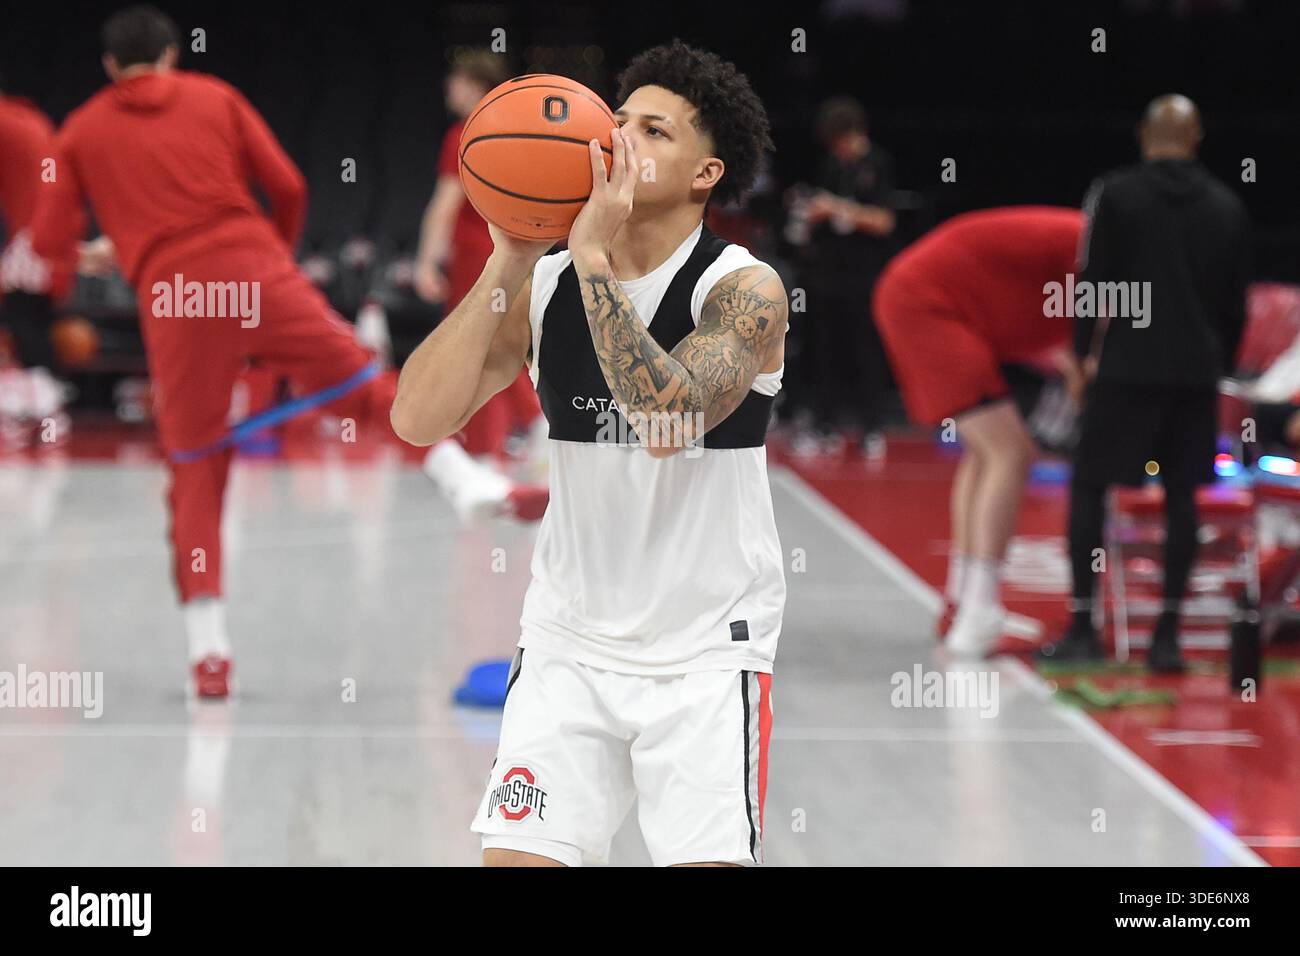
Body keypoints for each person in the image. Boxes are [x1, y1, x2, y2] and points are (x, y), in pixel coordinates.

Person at [393, 39, 786, 867]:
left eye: (654, 131)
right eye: (620, 121)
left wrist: (595, 260)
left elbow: (668, 423)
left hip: (706, 649)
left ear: (706, 173)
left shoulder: (742, 289)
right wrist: (508, 257)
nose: (620, 141)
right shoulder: (544, 284)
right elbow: (417, 419)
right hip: (567, 641)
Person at [31, 6, 408, 697]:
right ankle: (472, 481)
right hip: (255, 267)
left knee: (194, 463)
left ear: (110, 65)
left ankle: (209, 655)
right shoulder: (216, 96)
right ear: (172, 54)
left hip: (174, 298)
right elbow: (289, 186)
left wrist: (95, 253)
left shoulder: (79, 128)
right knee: (367, 382)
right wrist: (275, 258)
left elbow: (48, 238)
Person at [1038, 94, 1250, 672]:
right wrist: (1219, 366)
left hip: (1128, 369)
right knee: (1182, 496)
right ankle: (1167, 638)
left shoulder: (1115, 194)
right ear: (1197, 137)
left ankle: (1084, 627)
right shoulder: (1228, 207)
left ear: (1143, 135)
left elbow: (1093, 281)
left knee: (1090, 486)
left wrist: (1082, 356)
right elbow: (1236, 306)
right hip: (1194, 374)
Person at [873, 207, 1084, 656]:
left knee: (986, 453)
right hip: (928, 306)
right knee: (1011, 453)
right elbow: (1088, 342)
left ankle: (962, 604)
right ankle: (979, 615)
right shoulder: (1091, 244)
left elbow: (1066, 342)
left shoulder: (1086, 244)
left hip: (921, 298)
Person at [412, 50, 551, 494]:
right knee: (498, 348)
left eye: (455, 81)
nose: (448, 89)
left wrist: (425, 260)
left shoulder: (463, 134)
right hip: (515, 251)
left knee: (477, 350)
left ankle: (508, 441)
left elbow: (445, 203)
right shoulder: (516, 134)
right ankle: (510, 439)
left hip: (476, 256)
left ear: (475, 85)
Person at [792, 96, 897, 454]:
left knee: (865, 350)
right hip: (828, 275)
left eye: (842, 142)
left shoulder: (878, 164)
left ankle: (872, 428)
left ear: (856, 133)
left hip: (865, 276)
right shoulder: (830, 166)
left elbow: (884, 221)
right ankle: (824, 426)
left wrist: (836, 207)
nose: (839, 150)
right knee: (825, 351)